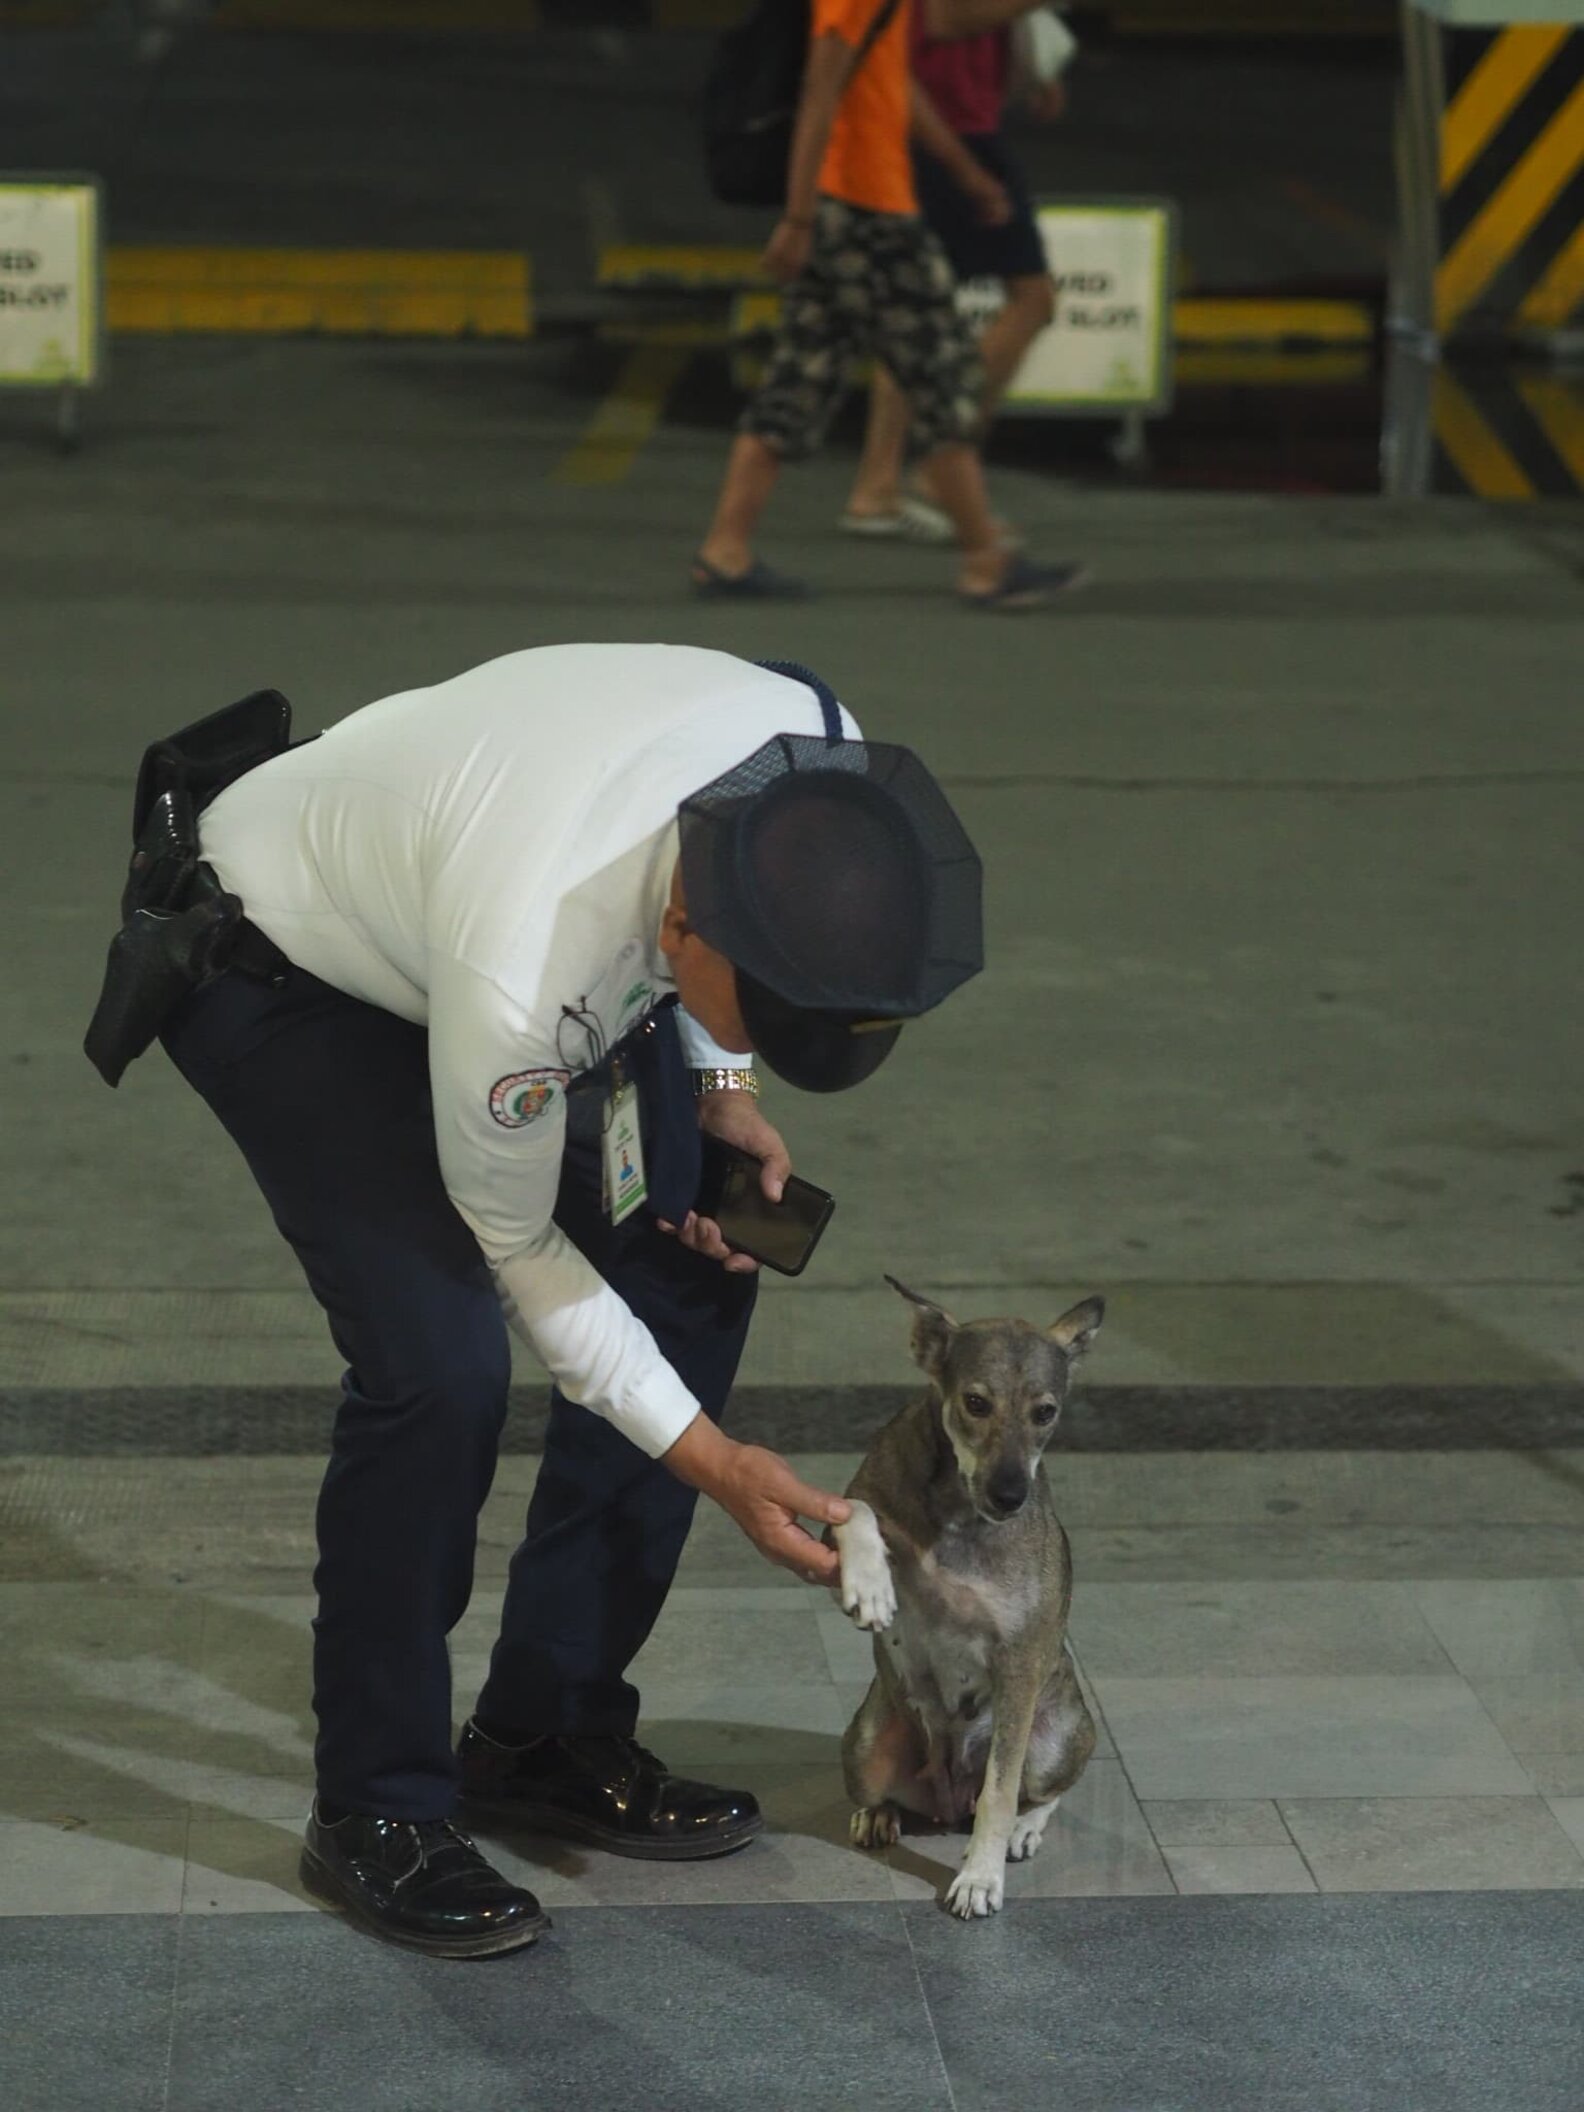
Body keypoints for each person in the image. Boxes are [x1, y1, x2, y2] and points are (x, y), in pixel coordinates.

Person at [87, 646, 983, 1959]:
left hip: (471, 897)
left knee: (696, 1246)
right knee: (436, 1366)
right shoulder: (528, 967)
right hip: (279, 957)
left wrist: (725, 1078)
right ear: (687, 931)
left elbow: (752, 921)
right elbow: (520, 1253)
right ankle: (374, 1810)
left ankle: (545, 1731)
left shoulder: (820, 755)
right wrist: (716, 1462)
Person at [692, 0, 1082, 611]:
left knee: (800, 380)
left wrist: (965, 172)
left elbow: (901, 77)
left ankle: (725, 550)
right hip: (865, 212)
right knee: (943, 374)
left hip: (852, 204)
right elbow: (821, 92)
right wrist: (796, 219)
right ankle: (986, 561)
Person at [844, 0, 1077, 542]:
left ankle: (882, 485)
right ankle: (939, 471)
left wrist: (1031, 64)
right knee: (1030, 299)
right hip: (945, 135)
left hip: (952, 125)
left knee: (915, 312)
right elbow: (947, 19)